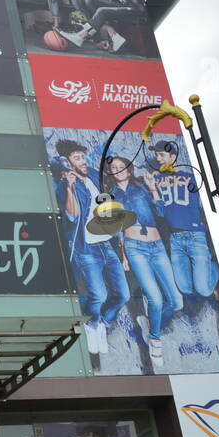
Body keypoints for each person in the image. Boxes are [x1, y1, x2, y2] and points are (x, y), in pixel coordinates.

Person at [105, 155, 183, 368]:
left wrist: (153, 189)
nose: (119, 169)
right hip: (134, 248)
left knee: (177, 302)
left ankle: (151, 324)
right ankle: (155, 340)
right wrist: (123, 255)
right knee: (155, 299)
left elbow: (162, 212)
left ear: (129, 170)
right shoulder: (111, 196)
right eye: (114, 167)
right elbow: (117, 229)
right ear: (111, 172)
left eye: (122, 166)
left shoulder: (141, 189)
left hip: (157, 247)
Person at [54, 139, 130, 357]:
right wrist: (69, 188)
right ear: (67, 162)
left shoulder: (95, 178)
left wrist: (122, 248)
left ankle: (102, 323)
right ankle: (92, 324)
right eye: (77, 158)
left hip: (107, 245)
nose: (83, 161)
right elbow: (72, 216)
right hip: (86, 247)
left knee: (123, 295)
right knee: (98, 295)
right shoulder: (65, 185)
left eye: (83, 157)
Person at [150, 141, 219, 311]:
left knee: (204, 290)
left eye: (162, 155)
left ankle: (214, 266)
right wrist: (153, 189)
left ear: (173, 157)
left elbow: (204, 203)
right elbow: (161, 213)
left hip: (195, 235)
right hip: (175, 238)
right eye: (156, 155)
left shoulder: (191, 176)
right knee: (185, 288)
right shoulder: (156, 179)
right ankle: (203, 271)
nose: (158, 158)